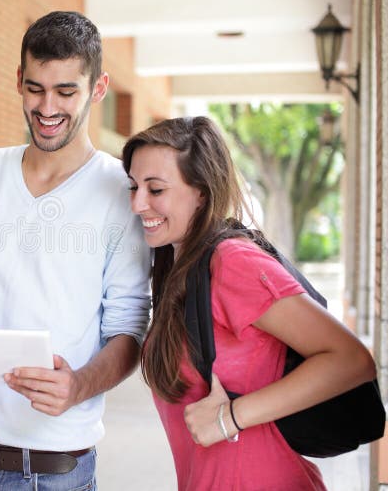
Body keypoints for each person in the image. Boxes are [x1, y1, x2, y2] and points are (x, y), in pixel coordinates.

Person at [0, 11, 151, 490]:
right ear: (19, 80)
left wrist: (77, 385)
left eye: (66, 92)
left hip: (54, 470)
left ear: (98, 88)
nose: (47, 107)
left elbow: (128, 329)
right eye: (36, 88)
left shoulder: (121, 191)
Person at [121, 116, 377, 491]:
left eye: (155, 189)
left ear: (202, 193)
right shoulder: (178, 268)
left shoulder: (231, 263)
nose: (137, 204)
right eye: (133, 186)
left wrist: (230, 418)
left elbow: (352, 360)